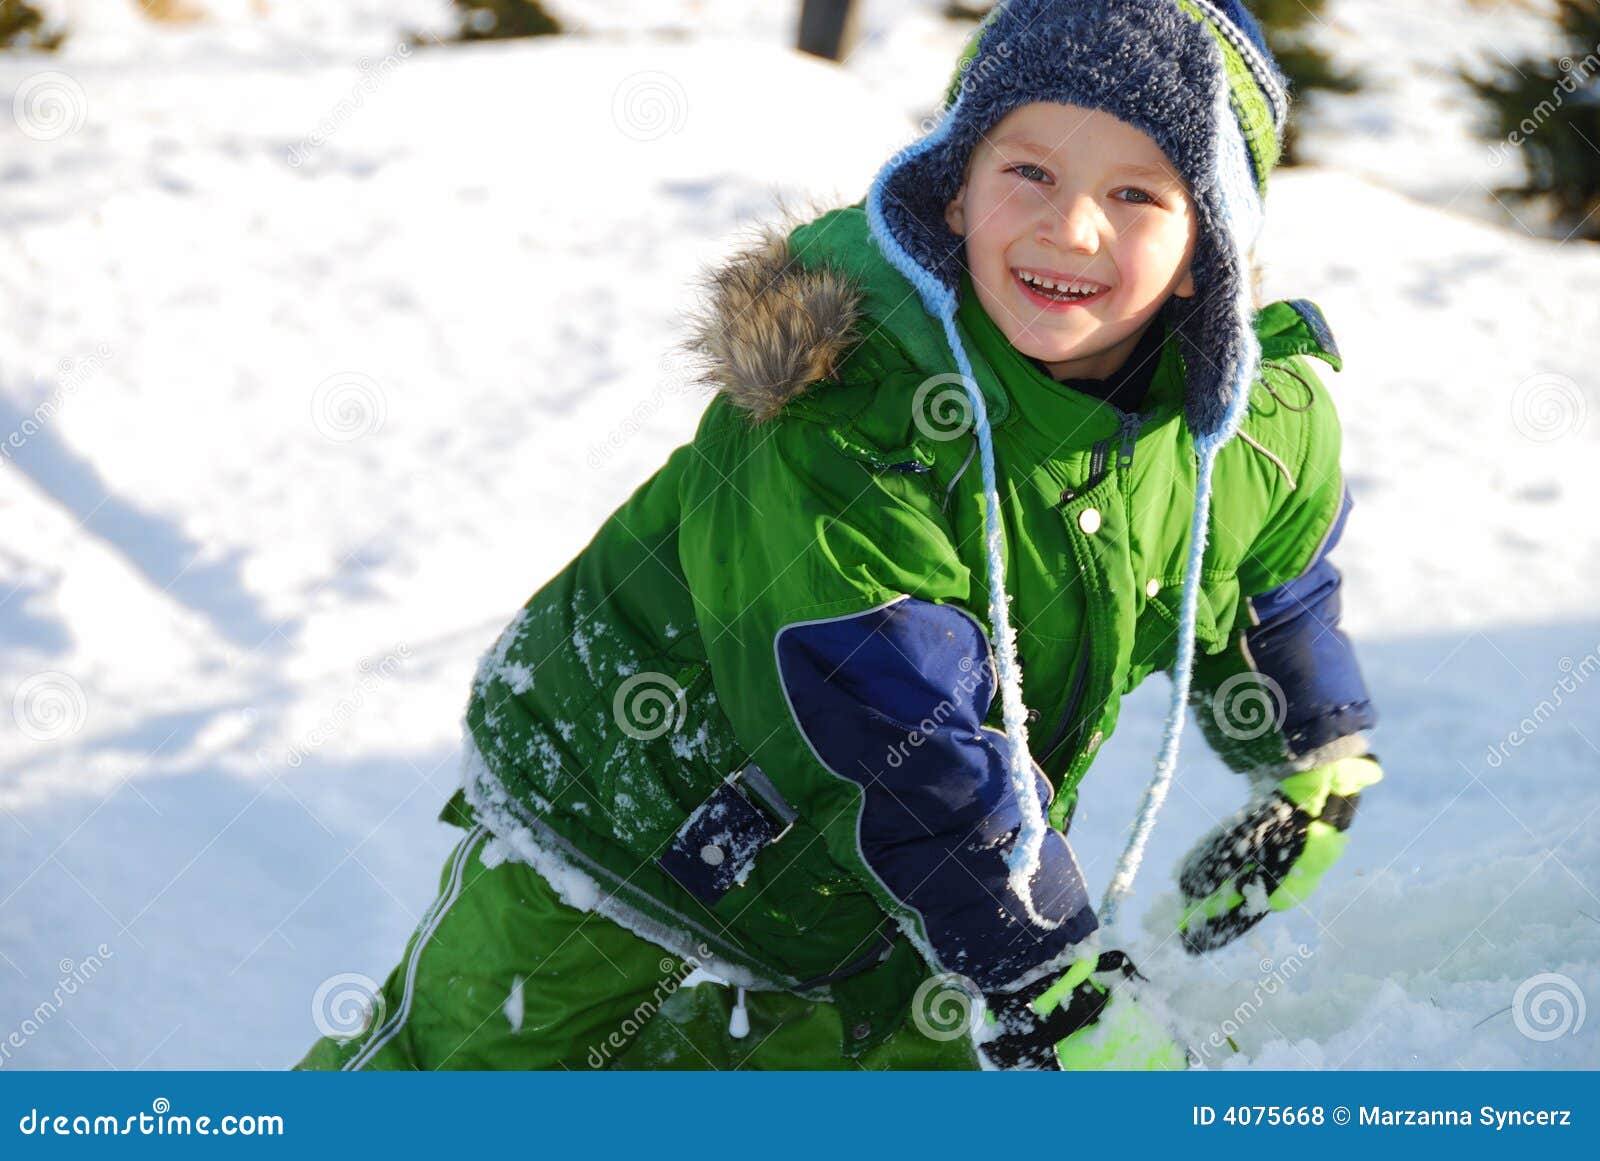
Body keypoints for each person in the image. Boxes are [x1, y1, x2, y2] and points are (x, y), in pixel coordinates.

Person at [297, 0, 1382, 1072]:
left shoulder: (1252, 432)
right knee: (462, 1077)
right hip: (623, 829)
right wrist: (1044, 979)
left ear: (1208, 253)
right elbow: (881, 702)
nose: (1071, 227)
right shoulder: (854, 395)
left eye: (1136, 193)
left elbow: (1271, 584)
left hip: (894, 890)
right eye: (1030, 173)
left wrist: (1312, 761)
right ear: (954, 194)